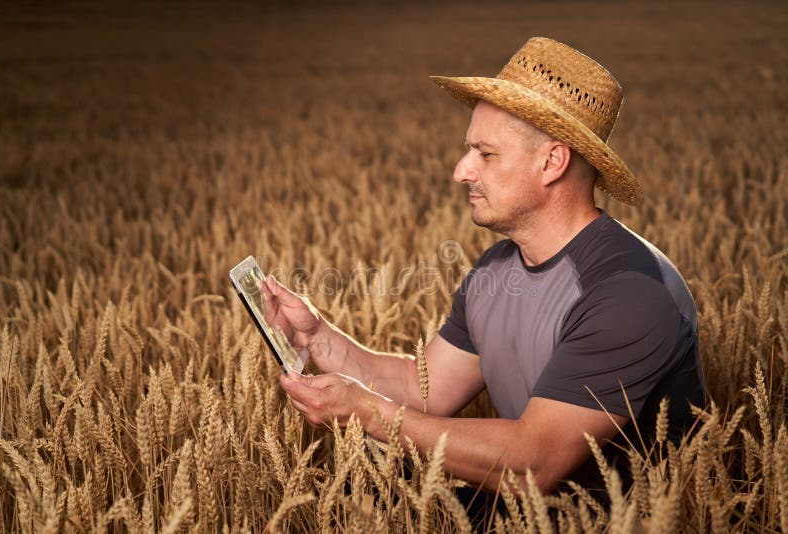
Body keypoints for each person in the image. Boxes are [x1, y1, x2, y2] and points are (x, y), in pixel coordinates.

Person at [261, 37, 706, 516]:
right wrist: (318, 338)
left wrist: (366, 412)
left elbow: (535, 464)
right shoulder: (496, 271)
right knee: (361, 497)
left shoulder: (628, 292)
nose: (460, 171)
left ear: (552, 162)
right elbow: (422, 390)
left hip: (612, 521)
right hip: (528, 512)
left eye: (485, 154)